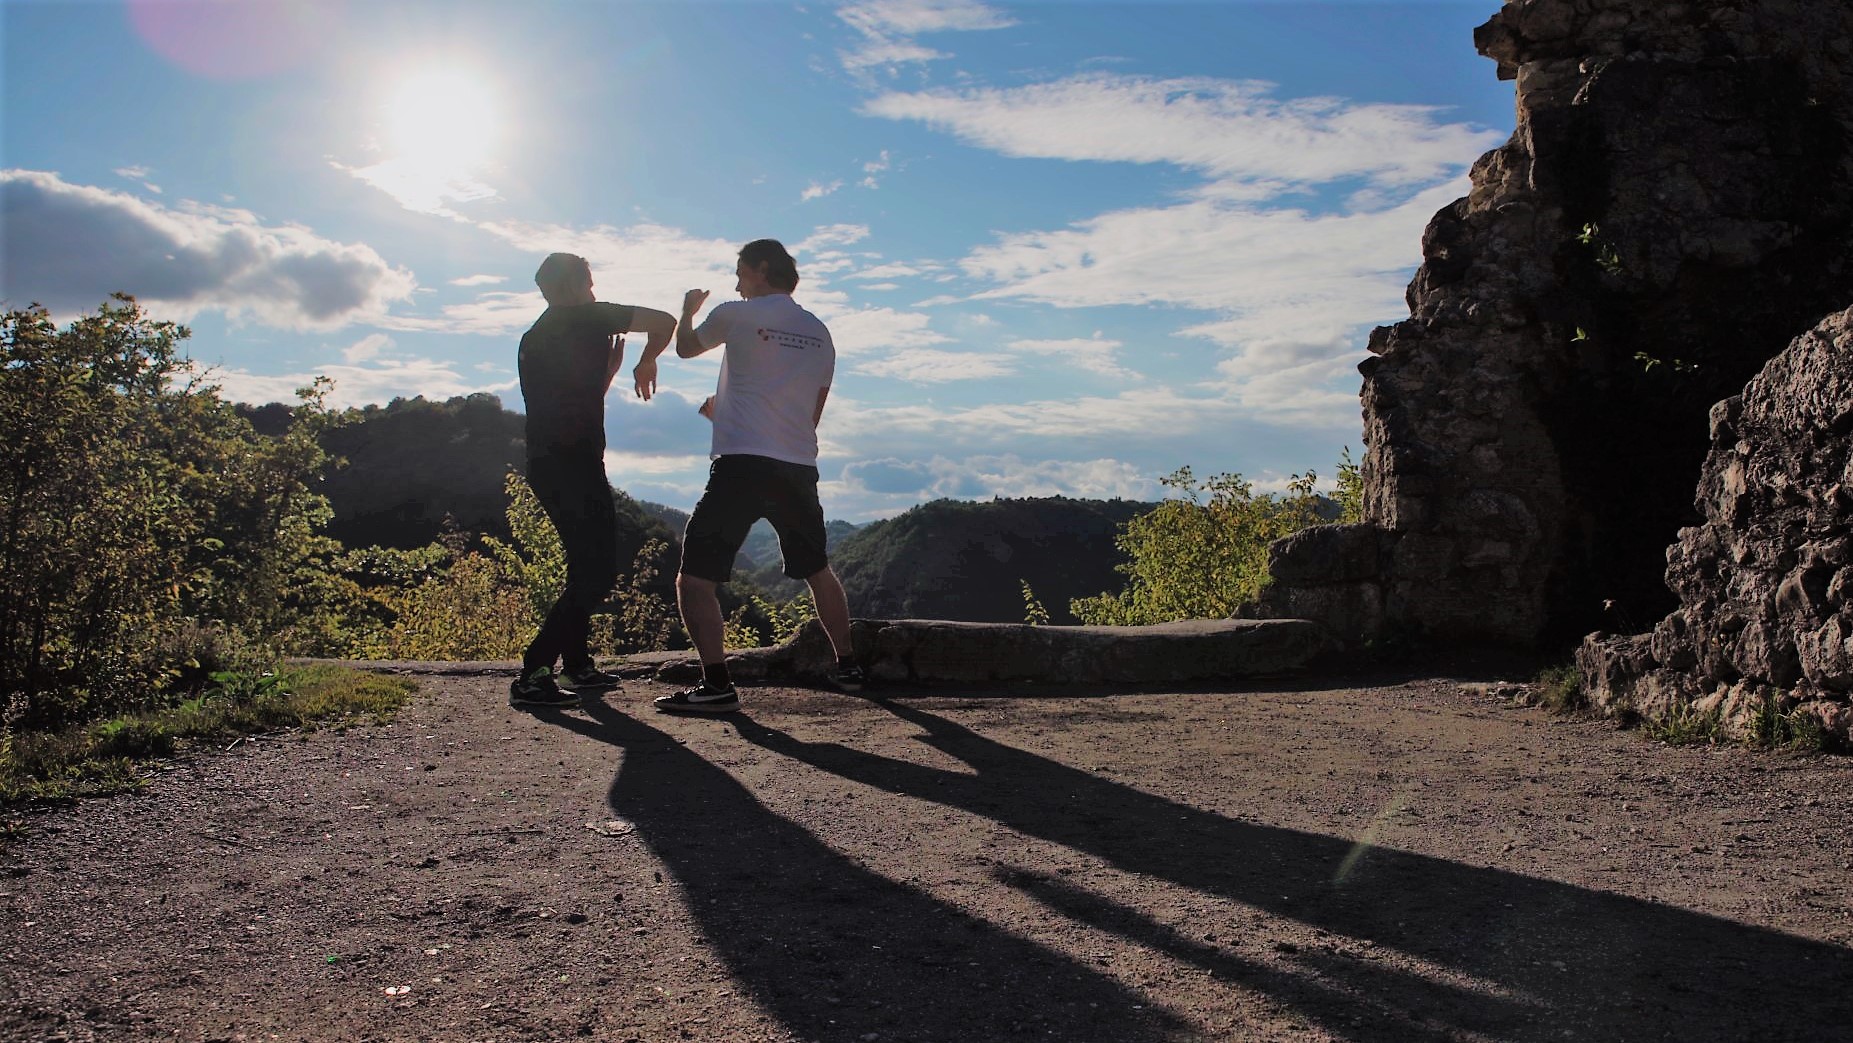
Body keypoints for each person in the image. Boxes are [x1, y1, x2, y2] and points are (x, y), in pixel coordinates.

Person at [657, 239, 863, 713]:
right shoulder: (820, 332)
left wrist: (687, 310)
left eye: (740, 272)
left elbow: (686, 348)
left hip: (741, 466)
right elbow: (808, 415)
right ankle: (848, 666)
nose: (735, 282)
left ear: (760, 269)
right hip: (797, 465)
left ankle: (717, 686)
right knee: (817, 569)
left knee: (695, 579)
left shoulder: (736, 314)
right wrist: (727, 417)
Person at [509, 252, 677, 708]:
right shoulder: (592, 318)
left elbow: (566, 402)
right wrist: (647, 361)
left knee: (583, 564)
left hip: (547, 464)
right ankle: (534, 669)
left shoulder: (534, 337)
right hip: (576, 463)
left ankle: (577, 664)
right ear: (578, 285)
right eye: (587, 285)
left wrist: (606, 374)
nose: (593, 292)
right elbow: (665, 321)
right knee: (598, 570)